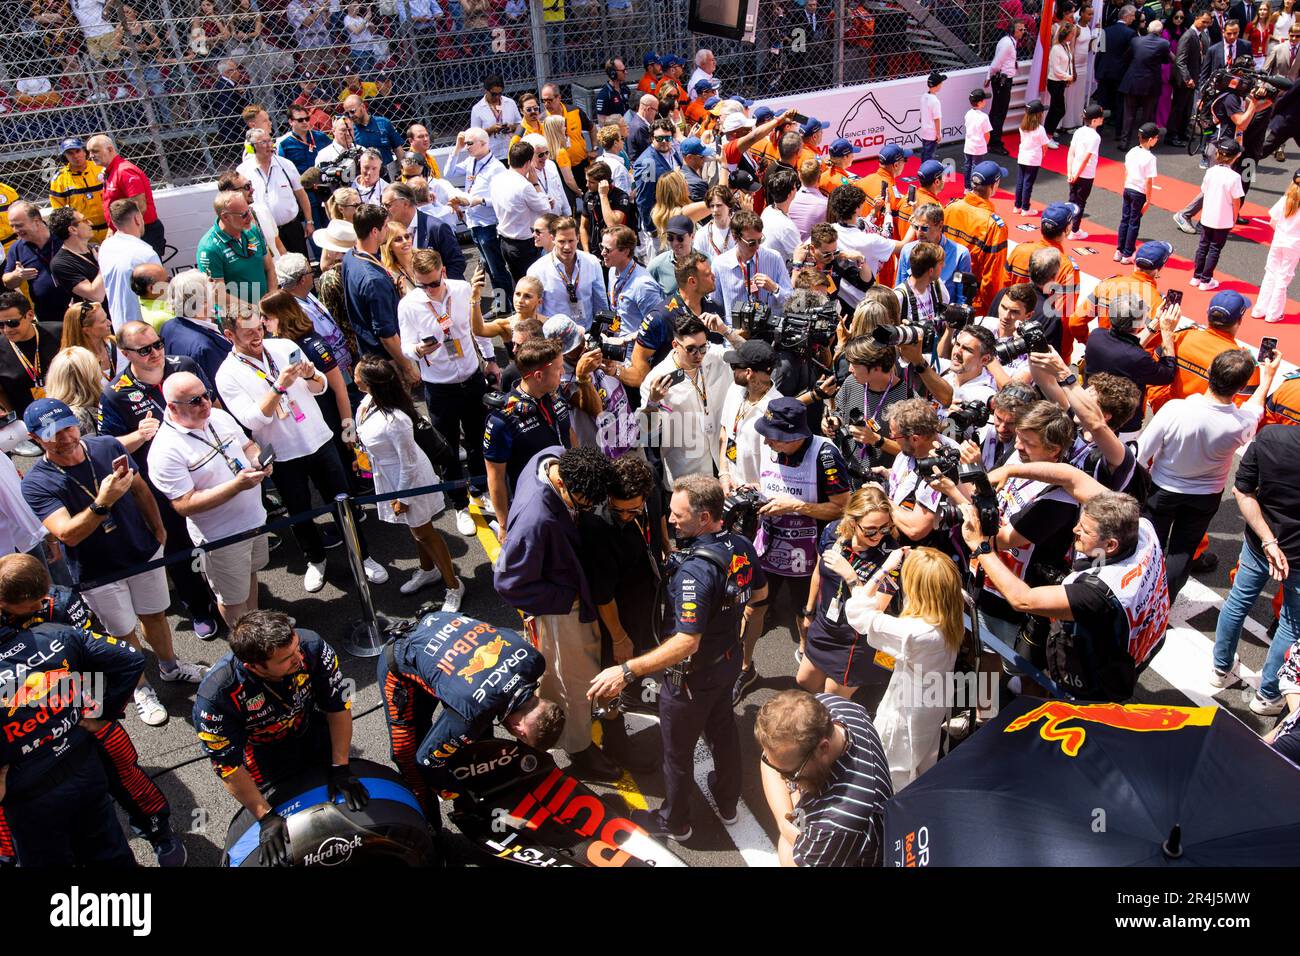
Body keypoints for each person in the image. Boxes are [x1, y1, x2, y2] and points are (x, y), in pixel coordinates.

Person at [589, 474, 767, 840]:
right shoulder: (740, 543)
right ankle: (728, 802)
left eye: (678, 514)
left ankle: (675, 823)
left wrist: (627, 670)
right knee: (723, 732)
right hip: (728, 660)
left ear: (705, 517)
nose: (670, 520)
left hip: (690, 678)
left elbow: (687, 642)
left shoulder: (695, 570)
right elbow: (761, 594)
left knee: (677, 752)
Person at [20, 398, 207, 726]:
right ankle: (141, 688)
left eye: (68, 427)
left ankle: (170, 666)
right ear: (35, 439)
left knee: (155, 615)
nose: (65, 437)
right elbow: (67, 534)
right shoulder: (37, 482)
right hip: (98, 571)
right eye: (52, 434)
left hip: (141, 551)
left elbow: (140, 488)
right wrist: (102, 501)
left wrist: (159, 529)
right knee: (121, 631)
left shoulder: (106, 446)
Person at [215, 308, 388, 593]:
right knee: (300, 512)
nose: (257, 336)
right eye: (248, 333)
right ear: (229, 335)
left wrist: (310, 376)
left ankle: (363, 555)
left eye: (259, 328)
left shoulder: (283, 346)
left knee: (343, 503)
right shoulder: (227, 374)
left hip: (319, 440)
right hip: (282, 454)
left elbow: (320, 387)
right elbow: (252, 420)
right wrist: (279, 387)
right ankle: (315, 560)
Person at [193, 610, 368, 866]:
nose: (299, 657)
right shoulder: (216, 697)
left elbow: (338, 706)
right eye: (287, 658)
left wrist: (340, 765)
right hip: (263, 754)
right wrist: (264, 816)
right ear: (253, 666)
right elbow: (228, 767)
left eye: (296, 647)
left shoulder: (312, 646)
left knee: (340, 794)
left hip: (310, 729)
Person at [964, 490, 1170, 702]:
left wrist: (981, 547)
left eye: (1085, 530)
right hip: (1145, 640)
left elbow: (1022, 599)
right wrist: (1008, 473)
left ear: (1111, 545)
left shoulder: (1097, 593)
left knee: (1079, 709)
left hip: (1101, 674)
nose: (1075, 530)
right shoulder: (1140, 528)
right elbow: (1072, 479)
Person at [494, 445, 622, 780]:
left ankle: (560, 727)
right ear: (564, 483)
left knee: (559, 674)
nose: (589, 509)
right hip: (561, 609)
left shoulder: (551, 456)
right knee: (576, 680)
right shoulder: (536, 520)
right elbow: (507, 583)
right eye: (584, 503)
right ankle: (580, 750)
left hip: (564, 588)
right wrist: (566, 598)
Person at [0, 581, 145, 865]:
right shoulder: (55, 634)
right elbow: (129, 659)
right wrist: (100, 713)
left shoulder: (56, 623)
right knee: (110, 853)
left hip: (30, 796)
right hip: (84, 768)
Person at [378, 611, 564, 821]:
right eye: (522, 738)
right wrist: (460, 794)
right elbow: (426, 762)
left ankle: (486, 792)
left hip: (443, 627)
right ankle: (430, 829)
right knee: (408, 757)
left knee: (478, 734)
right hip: (403, 662)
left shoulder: (534, 660)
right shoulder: (471, 715)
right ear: (519, 730)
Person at [1138, 347, 1279, 600]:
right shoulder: (1241, 423)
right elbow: (1256, 407)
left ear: (1209, 371)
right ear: (1241, 387)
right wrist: (1268, 377)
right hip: (1205, 497)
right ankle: (1163, 604)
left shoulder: (1175, 410)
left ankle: (1138, 597)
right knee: (1182, 553)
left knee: (1149, 547)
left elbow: (1141, 453)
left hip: (1162, 490)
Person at [737, 397, 851, 701]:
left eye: (775, 437)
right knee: (753, 607)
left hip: (810, 553)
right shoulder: (770, 446)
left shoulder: (825, 455)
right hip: (768, 545)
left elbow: (844, 507)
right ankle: (745, 668)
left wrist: (796, 506)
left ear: (795, 435)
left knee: (806, 615)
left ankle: (807, 667)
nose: (767, 441)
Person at [146, 371, 269, 627]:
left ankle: (258, 630)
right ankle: (248, 643)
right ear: (172, 407)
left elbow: (247, 445)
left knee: (250, 576)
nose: (205, 403)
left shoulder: (218, 417)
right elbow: (184, 504)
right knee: (233, 599)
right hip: (221, 536)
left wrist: (257, 459)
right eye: (195, 401)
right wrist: (236, 486)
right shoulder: (165, 450)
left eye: (206, 395)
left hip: (255, 520)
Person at [836, 545, 963, 789]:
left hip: (906, 712)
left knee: (892, 770)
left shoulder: (915, 633)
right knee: (924, 761)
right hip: (933, 700)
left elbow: (857, 614)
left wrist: (884, 569)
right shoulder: (950, 611)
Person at [353, 356, 463, 607]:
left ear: (370, 383)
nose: (353, 375)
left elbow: (409, 463)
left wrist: (403, 498)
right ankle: (428, 570)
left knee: (424, 533)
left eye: (358, 373)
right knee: (417, 530)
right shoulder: (368, 403)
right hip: (392, 478)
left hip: (410, 482)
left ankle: (454, 586)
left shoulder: (397, 420)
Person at [399, 251, 495, 537]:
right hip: (440, 387)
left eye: (433, 283)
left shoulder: (462, 290)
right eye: (422, 285)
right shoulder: (409, 305)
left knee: (478, 440)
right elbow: (405, 345)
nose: (429, 290)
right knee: (448, 448)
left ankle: (480, 490)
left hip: (472, 378)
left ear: (442, 272)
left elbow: (477, 328)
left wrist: (490, 360)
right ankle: (460, 505)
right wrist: (418, 350)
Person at [1213, 423, 1300, 715]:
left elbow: (1242, 490)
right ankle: (1267, 696)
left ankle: (1220, 668)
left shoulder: (1272, 436)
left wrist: (1268, 541)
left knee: (1238, 601)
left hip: (1260, 541)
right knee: (1291, 625)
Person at [754, 689, 891, 866]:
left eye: (792, 774)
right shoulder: (833, 705)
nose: (784, 779)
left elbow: (791, 861)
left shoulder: (837, 822)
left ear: (823, 748)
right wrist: (784, 820)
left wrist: (794, 819)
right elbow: (770, 759)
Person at [482, 338, 574, 528]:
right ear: (538, 376)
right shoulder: (502, 420)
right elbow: (495, 478)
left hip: (568, 496)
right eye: (558, 369)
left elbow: (569, 433)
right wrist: (504, 525)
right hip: (534, 510)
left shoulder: (554, 393)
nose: (563, 372)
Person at [641, 313, 734, 483]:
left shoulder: (714, 356)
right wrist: (653, 401)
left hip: (725, 464)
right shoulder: (656, 379)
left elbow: (754, 359)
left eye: (702, 347)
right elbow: (646, 430)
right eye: (691, 349)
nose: (698, 355)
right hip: (688, 475)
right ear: (675, 345)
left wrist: (725, 331)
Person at [341, 204, 417, 387]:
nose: (388, 230)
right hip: (387, 362)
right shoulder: (373, 279)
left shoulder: (350, 256)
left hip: (370, 354)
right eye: (385, 226)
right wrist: (407, 367)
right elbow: (386, 334)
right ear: (375, 231)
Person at [450, 127, 513, 300]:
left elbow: (502, 199)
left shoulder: (496, 168)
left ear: (484, 143)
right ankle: (503, 305)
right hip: (473, 222)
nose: (467, 147)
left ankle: (507, 305)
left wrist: (480, 200)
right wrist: (457, 148)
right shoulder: (471, 161)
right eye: (465, 143)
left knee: (496, 268)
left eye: (470, 143)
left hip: (488, 224)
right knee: (490, 268)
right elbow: (449, 172)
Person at [197, 190, 277, 317]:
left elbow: (269, 268)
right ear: (225, 217)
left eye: (249, 210)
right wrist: (254, 310)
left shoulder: (252, 230)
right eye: (244, 215)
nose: (250, 217)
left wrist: (272, 299)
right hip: (238, 319)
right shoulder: (209, 247)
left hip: (266, 312)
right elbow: (217, 294)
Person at [944, 162, 1009, 315]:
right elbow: (991, 278)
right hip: (971, 299)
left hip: (942, 285)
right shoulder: (994, 226)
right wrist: (990, 310)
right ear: (994, 185)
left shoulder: (951, 207)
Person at [719, 339, 783, 493]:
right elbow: (725, 431)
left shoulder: (777, 409)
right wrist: (724, 474)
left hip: (761, 495)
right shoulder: (734, 390)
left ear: (748, 373)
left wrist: (759, 490)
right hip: (732, 487)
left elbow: (779, 464)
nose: (733, 371)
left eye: (734, 366)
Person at [525, 215, 611, 330]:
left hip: (587, 333)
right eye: (561, 241)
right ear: (552, 239)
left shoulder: (592, 262)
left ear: (578, 238)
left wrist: (603, 332)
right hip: (555, 336)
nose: (567, 247)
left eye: (571, 241)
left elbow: (601, 302)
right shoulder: (537, 270)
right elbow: (535, 312)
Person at [87, 136, 165, 259]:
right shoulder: (112, 171)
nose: (91, 156)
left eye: (95, 151)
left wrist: (123, 234)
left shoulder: (124, 171)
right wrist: (112, 230)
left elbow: (139, 206)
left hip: (140, 232)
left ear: (110, 149)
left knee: (147, 269)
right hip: (130, 232)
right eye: (89, 152)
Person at [490, 142, 553, 283]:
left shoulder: (497, 179)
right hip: (524, 245)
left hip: (505, 242)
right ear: (528, 163)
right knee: (533, 283)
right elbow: (545, 209)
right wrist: (535, 184)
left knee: (518, 282)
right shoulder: (525, 186)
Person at [1191, 139, 1245, 290]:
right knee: (1214, 249)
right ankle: (1206, 280)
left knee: (1203, 247)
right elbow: (1236, 201)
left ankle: (1196, 276)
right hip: (1223, 219)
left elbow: (1204, 190)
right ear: (1236, 156)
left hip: (1207, 216)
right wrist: (1235, 217)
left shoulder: (1210, 171)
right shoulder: (1234, 177)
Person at [0, 291, 63, 419]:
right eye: (0, 325)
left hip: (68, 411)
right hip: (29, 422)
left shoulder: (59, 333)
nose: (7, 330)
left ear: (30, 315)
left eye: (12, 323)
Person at [3, 202, 66, 326]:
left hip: (77, 307)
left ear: (36, 221)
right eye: (12, 226)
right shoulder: (16, 248)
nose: (15, 230)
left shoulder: (62, 236)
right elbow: (7, 281)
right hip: (47, 315)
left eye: (19, 225)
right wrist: (16, 275)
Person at [1119, 21, 1174, 148]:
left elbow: (1126, 57)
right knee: (1147, 115)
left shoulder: (1136, 41)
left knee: (1129, 114)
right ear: (1160, 32)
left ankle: (1124, 142)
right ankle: (1143, 143)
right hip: (1151, 84)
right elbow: (1167, 60)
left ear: (1148, 29)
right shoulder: (1164, 43)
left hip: (1133, 81)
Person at [49, 138, 108, 244]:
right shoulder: (60, 179)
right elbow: (59, 212)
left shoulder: (101, 169)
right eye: (70, 153)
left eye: (78, 151)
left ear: (84, 152)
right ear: (65, 156)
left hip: (111, 228)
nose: (75, 156)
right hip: (84, 235)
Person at [48, 208, 105, 312]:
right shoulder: (61, 264)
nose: (90, 223)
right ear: (73, 230)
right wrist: (104, 263)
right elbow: (96, 296)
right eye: (85, 220)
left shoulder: (95, 248)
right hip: (98, 317)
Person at [1170, 9, 1213, 147]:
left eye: (1208, 22)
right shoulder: (1188, 35)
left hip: (1194, 77)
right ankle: (1172, 135)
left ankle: (1182, 132)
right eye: (1203, 21)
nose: (1205, 25)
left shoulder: (1202, 35)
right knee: (1179, 108)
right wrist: (1187, 78)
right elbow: (1180, 60)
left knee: (1187, 108)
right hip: (1184, 80)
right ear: (1196, 18)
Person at [633, 119, 685, 230]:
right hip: (659, 224)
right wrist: (652, 228)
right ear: (652, 138)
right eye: (660, 138)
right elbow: (645, 198)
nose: (664, 141)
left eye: (668, 138)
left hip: (674, 217)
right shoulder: (648, 163)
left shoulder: (673, 153)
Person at [986, 21, 1028, 154]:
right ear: (1012, 30)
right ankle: (995, 143)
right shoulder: (1008, 44)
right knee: (999, 112)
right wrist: (989, 76)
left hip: (1002, 80)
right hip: (1002, 81)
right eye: (1020, 29)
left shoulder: (1009, 42)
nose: (1023, 32)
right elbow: (996, 63)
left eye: (1024, 29)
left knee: (997, 111)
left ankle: (992, 139)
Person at [1066, 106, 1105, 239]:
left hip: (1073, 171)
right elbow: (1086, 159)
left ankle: (1068, 227)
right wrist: (1076, 175)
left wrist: (1070, 173)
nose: (1102, 119)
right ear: (1094, 121)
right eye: (1100, 117)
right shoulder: (1095, 137)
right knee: (1080, 203)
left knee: (1072, 201)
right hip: (1086, 174)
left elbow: (1071, 153)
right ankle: (1074, 231)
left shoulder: (1079, 131)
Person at [471, 75, 523, 162]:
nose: (497, 97)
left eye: (500, 93)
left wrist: (511, 127)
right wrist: (490, 130)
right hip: (491, 156)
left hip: (512, 153)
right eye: (494, 94)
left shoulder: (510, 103)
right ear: (485, 91)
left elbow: (521, 126)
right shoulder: (477, 109)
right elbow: (473, 136)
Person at [1013, 101, 1051, 215]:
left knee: (1020, 182)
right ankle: (1026, 208)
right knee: (1028, 183)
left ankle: (1017, 206)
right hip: (1033, 159)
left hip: (1022, 157)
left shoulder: (1022, 126)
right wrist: (1043, 154)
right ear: (1039, 114)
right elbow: (1045, 145)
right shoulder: (1040, 129)